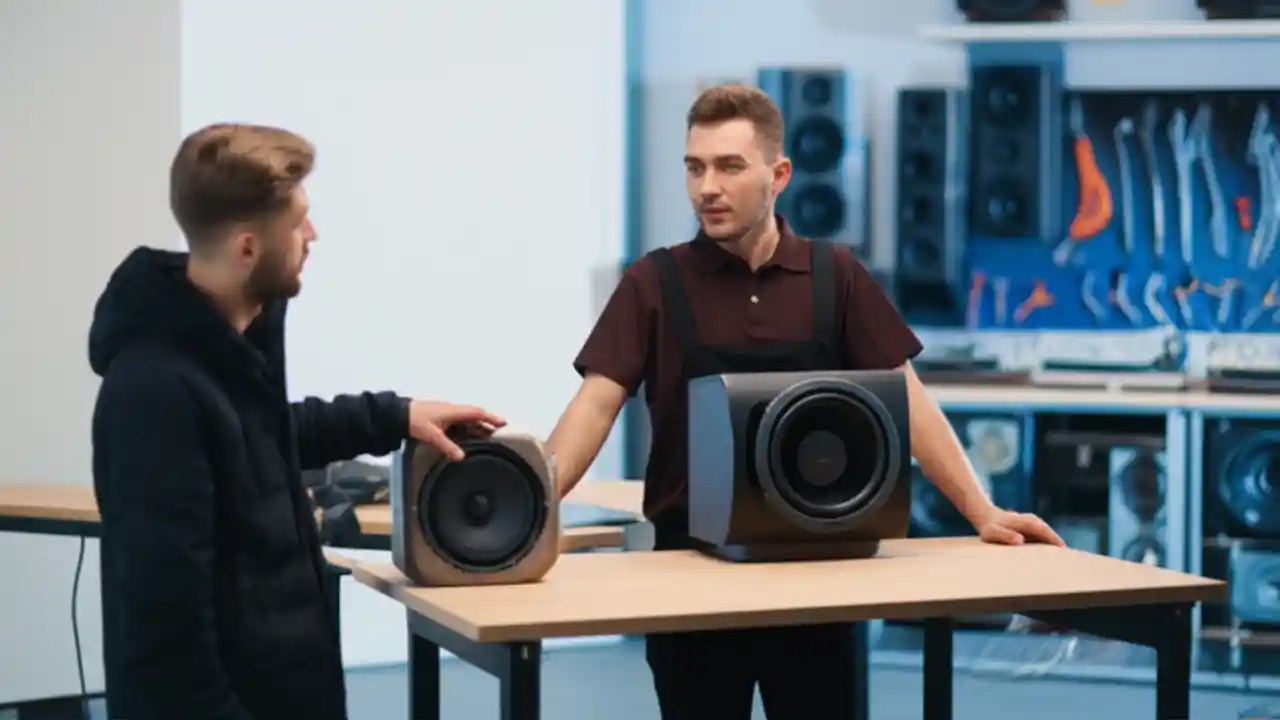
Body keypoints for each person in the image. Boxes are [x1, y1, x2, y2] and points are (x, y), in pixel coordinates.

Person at [545, 84, 1066, 719]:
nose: (707, 187)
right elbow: (595, 405)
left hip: (823, 578)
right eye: (695, 167)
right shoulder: (655, 281)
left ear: (779, 173)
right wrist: (535, 508)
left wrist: (981, 511)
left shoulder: (836, 275)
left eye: (730, 166)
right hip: (691, 580)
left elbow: (910, 401)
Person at [87, 123, 505, 720]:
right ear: (248, 249)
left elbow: (262, 436)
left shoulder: (223, 347)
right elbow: (169, 651)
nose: (312, 235)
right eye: (298, 222)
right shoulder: (151, 396)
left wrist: (395, 415)